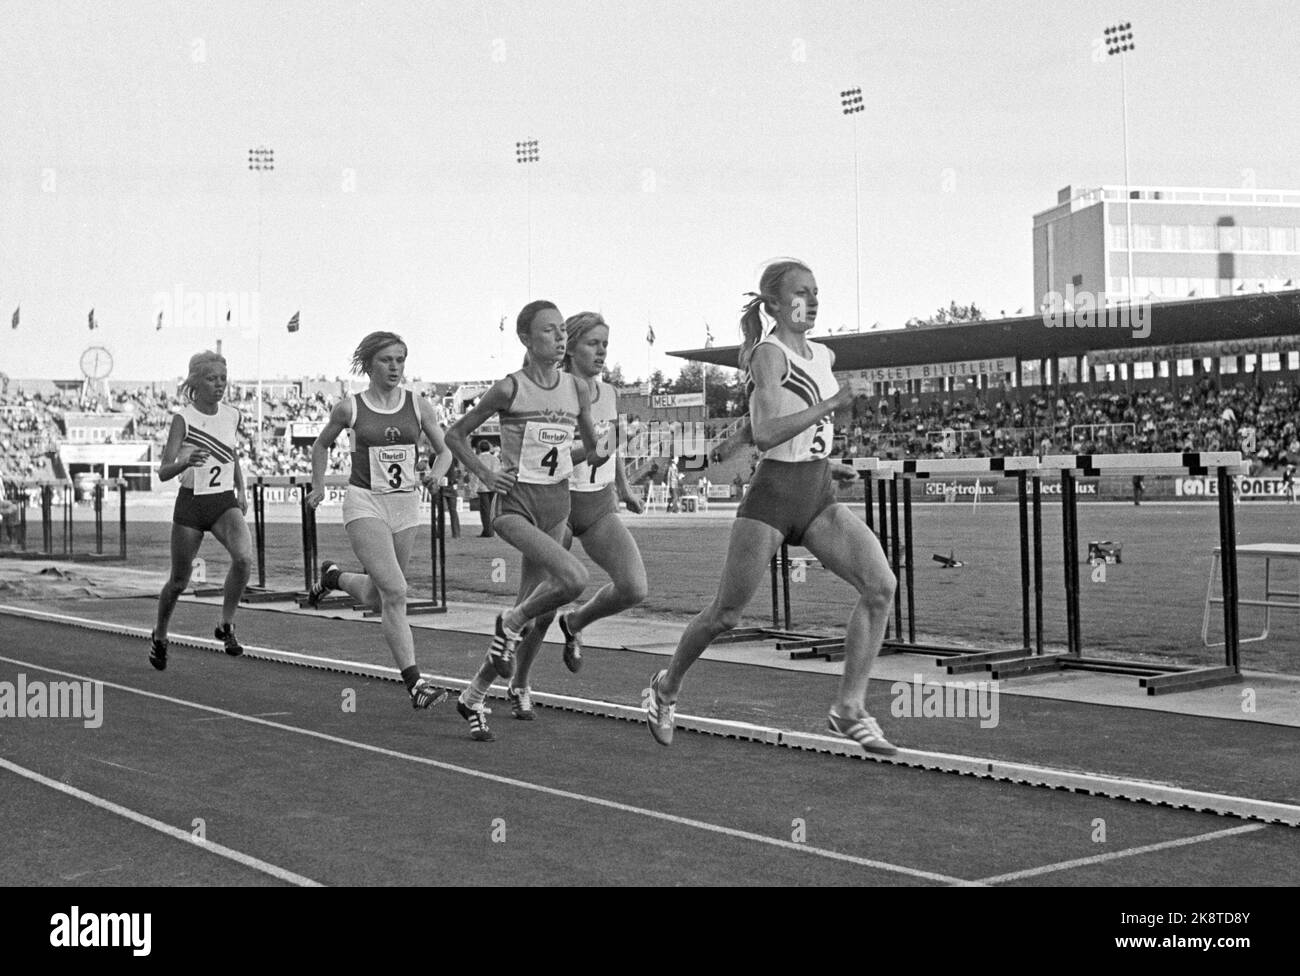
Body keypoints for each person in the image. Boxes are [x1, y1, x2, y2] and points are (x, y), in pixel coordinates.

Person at [644, 259, 897, 754]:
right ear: (776, 304)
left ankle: (849, 709)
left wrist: (829, 460)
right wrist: (834, 404)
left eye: (817, 291)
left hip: (817, 493)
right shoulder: (768, 354)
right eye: (802, 292)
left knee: (880, 585)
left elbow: (786, 418)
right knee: (726, 614)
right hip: (774, 496)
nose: (814, 300)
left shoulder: (824, 354)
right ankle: (666, 686)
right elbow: (766, 432)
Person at [444, 300, 604, 741]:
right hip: (515, 508)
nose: (560, 338)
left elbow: (588, 449)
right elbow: (455, 435)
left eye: (562, 330)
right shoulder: (509, 388)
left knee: (532, 616)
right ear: (526, 338)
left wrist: (601, 443)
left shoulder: (577, 388)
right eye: (549, 330)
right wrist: (485, 474)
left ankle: (474, 696)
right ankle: (509, 624)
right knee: (574, 579)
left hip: (556, 508)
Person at [505, 312, 648, 719]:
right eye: (593, 343)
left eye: (606, 344)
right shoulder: (554, 392)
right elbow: (557, 454)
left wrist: (624, 488)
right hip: (556, 503)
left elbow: (611, 448)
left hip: (599, 503)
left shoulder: (610, 393)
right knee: (537, 607)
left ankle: (577, 623)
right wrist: (602, 445)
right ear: (570, 347)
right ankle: (518, 683)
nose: (601, 352)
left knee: (634, 587)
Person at [304, 332, 453, 710]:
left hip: (405, 507)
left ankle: (333, 578)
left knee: (377, 594)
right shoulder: (349, 408)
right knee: (397, 591)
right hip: (365, 504)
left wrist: (437, 474)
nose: (395, 367)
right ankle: (416, 684)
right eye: (387, 360)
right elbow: (321, 445)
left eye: (400, 359)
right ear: (370, 364)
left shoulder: (418, 405)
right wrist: (319, 485)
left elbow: (445, 452)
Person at [149, 350, 253, 670]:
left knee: (244, 558)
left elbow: (231, 454)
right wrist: (185, 461)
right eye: (211, 379)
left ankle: (226, 624)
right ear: (196, 382)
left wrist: (242, 489)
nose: (219, 384)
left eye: (223, 378)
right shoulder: (183, 419)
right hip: (192, 502)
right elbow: (163, 471)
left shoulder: (232, 414)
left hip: (223, 501)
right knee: (179, 581)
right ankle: (160, 635)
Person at [468, 440, 501, 536]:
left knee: (485, 511)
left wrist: (473, 488)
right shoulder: (495, 459)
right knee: (492, 510)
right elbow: (498, 472)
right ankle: (492, 529)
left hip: (482, 487)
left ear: (479, 448)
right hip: (493, 486)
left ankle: (487, 531)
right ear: (489, 448)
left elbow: (475, 475)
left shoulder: (478, 459)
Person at [441, 456, 462, 539]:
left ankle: (439, 532)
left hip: (443, 485)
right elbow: (458, 472)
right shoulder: (454, 458)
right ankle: (456, 533)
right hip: (451, 485)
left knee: (441, 511)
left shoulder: (438, 456)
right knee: (453, 511)